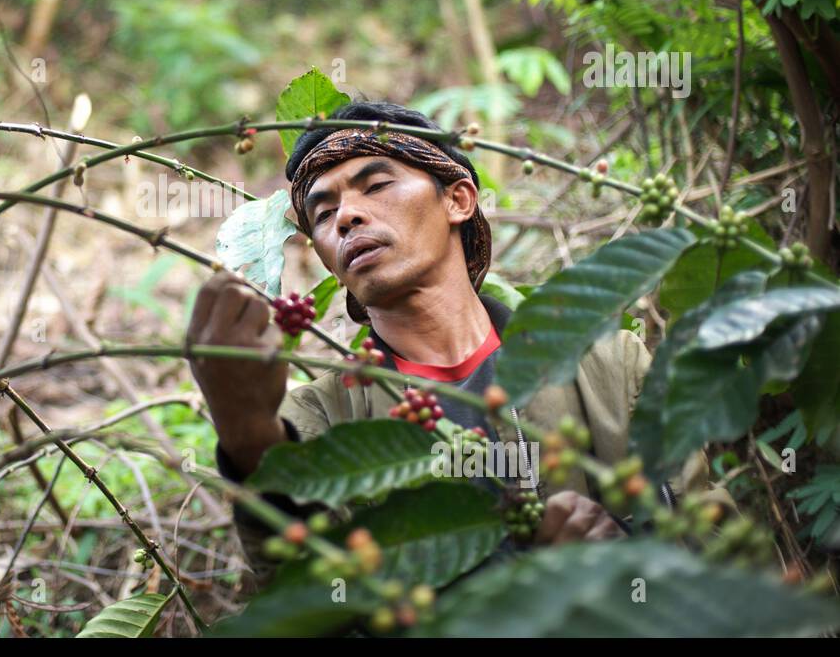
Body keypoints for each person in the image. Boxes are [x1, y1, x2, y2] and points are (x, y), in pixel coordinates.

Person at [187, 101, 732, 588]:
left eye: (376, 186)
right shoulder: (315, 419)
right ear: (326, 256)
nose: (347, 217)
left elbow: (722, 564)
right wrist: (248, 435)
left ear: (459, 199)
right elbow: (309, 599)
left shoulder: (609, 364)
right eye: (324, 214)